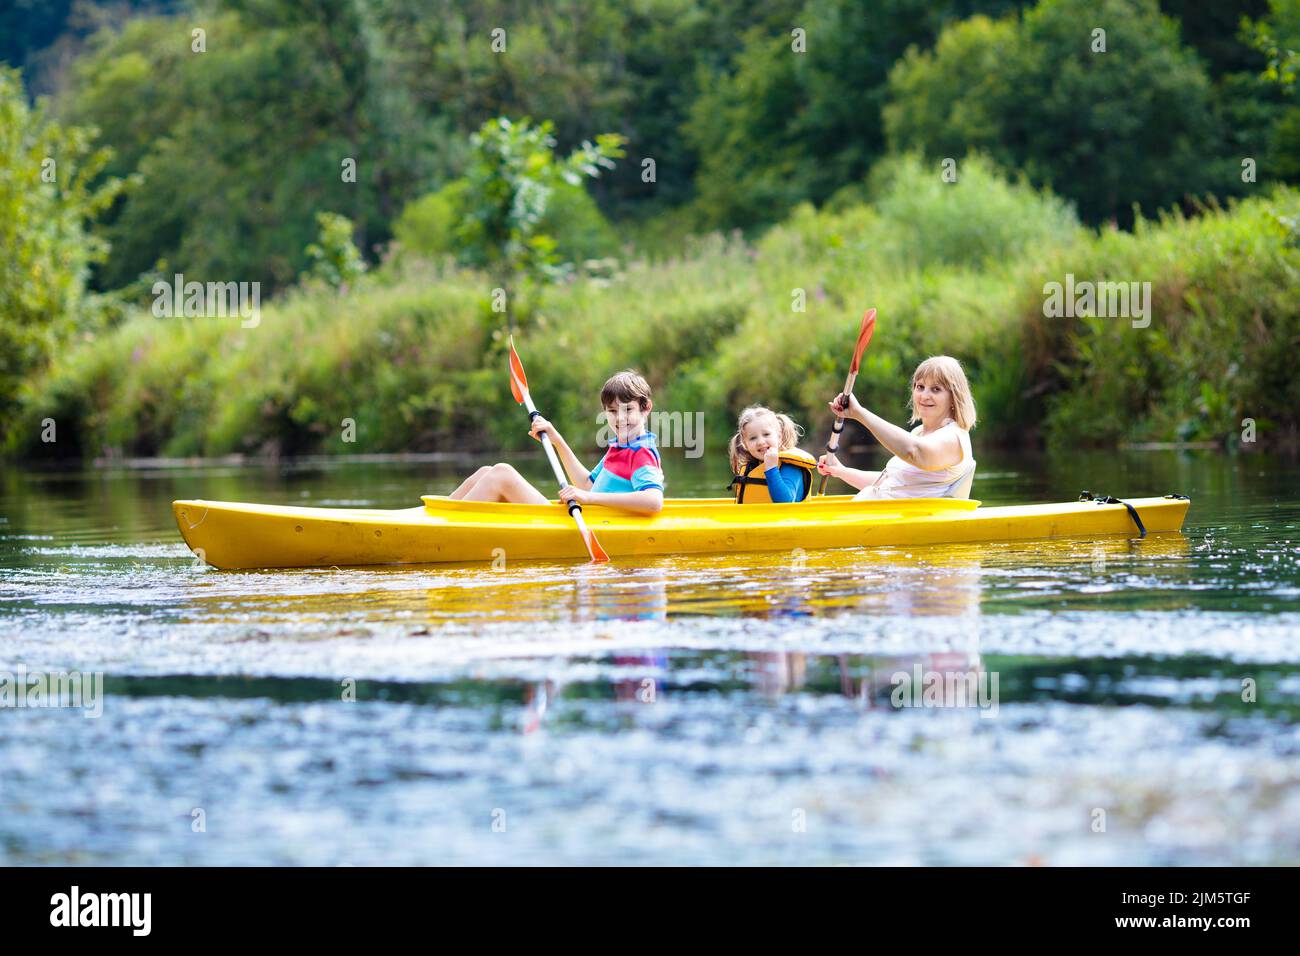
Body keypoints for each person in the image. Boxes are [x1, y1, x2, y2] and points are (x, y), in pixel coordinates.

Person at [449, 369, 665, 515]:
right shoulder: (619, 447)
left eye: (628, 410)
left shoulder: (641, 452)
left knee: (502, 473)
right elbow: (587, 486)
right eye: (612, 411)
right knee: (486, 471)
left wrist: (588, 499)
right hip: (586, 517)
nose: (620, 418)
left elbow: (654, 501)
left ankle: (448, 528)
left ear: (646, 408)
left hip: (592, 523)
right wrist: (557, 441)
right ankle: (438, 515)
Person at [816, 355, 976, 500]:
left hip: (901, 523)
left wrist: (859, 413)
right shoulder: (918, 433)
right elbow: (887, 483)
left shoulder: (954, 438)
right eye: (920, 387)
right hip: (875, 517)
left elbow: (914, 452)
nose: (924, 395)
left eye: (936, 389)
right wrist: (840, 471)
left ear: (954, 397)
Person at [727, 405, 817, 503]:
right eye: (753, 438)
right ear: (745, 444)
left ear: (779, 436)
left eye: (766, 434)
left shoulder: (790, 467)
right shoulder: (750, 468)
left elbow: (785, 503)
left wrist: (771, 469)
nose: (760, 442)